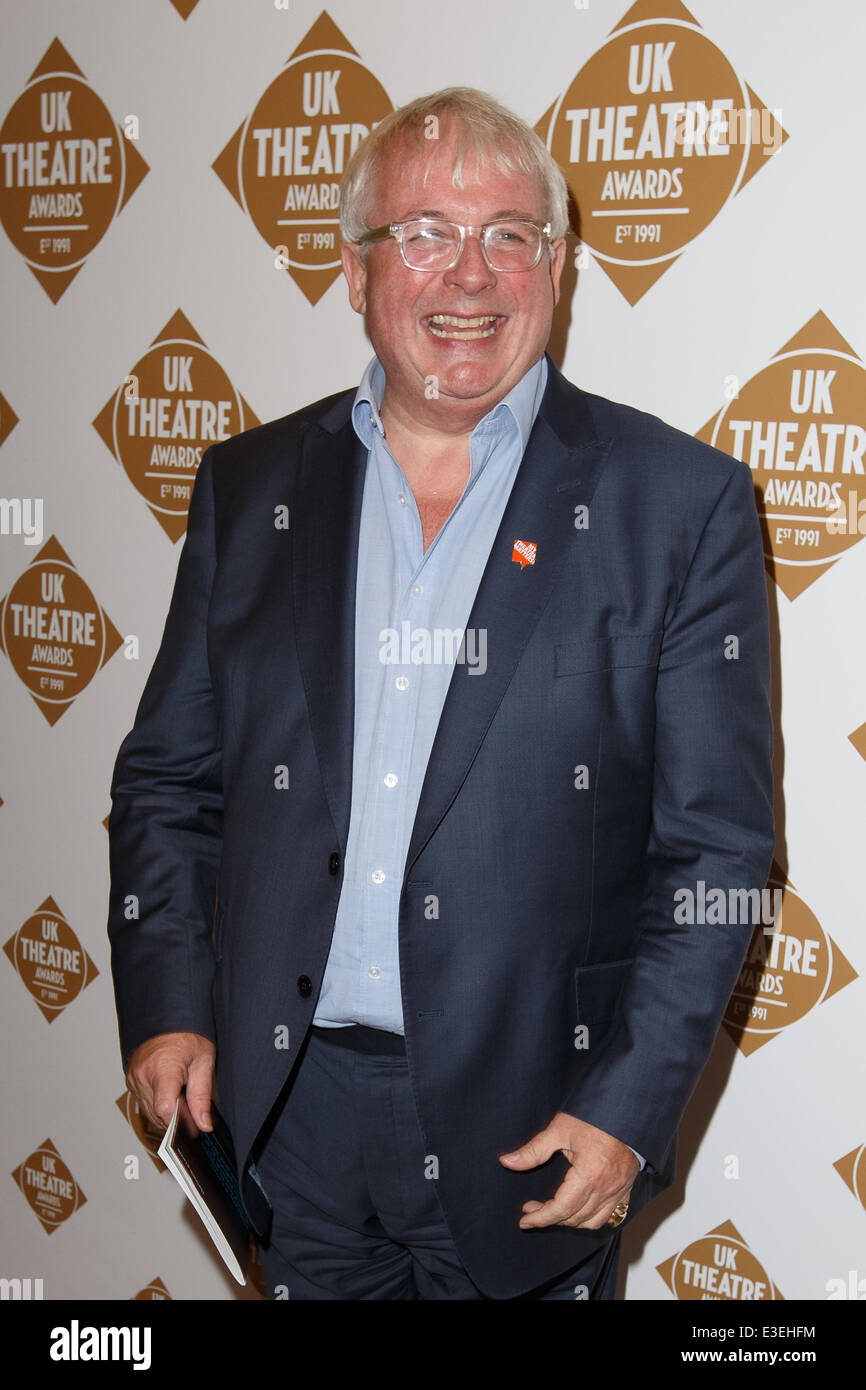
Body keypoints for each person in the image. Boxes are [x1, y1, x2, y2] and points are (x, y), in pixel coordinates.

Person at [108, 87, 774, 1301]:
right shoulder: (247, 484)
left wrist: (624, 1109)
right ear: (358, 266)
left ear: (558, 267)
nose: (468, 276)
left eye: (509, 234)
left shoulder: (677, 506)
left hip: (530, 1128)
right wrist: (164, 1004)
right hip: (288, 1113)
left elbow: (714, 851)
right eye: (422, 233)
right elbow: (168, 777)